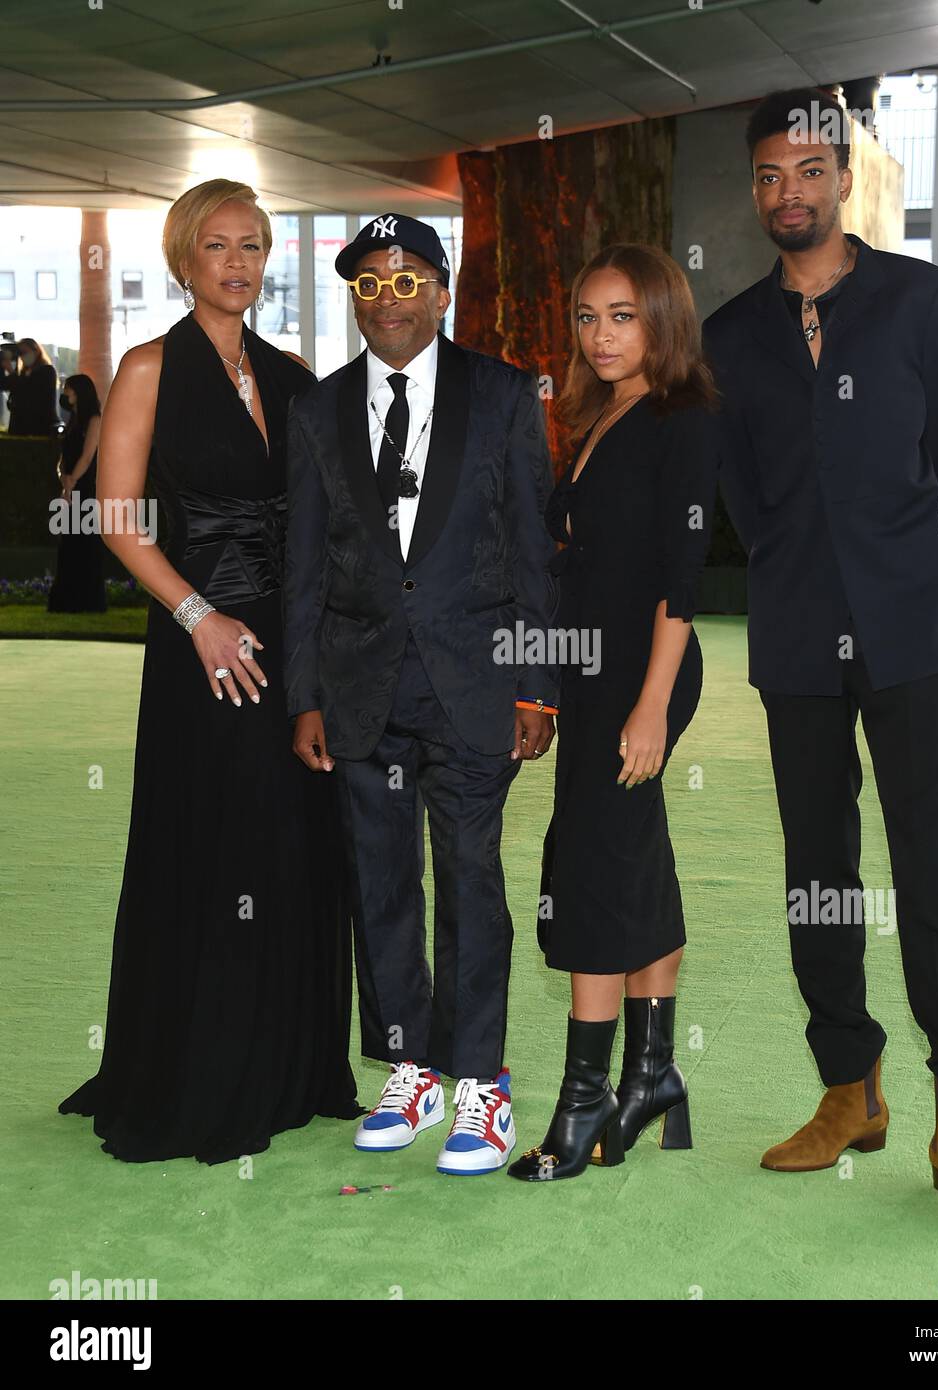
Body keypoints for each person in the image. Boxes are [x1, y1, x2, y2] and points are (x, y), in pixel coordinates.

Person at [702, 87, 938, 1227]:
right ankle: (848, 1091)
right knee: (815, 868)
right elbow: (741, 489)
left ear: (844, 178)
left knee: (923, 865)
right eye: (766, 176)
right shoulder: (729, 333)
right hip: (792, 633)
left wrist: (879, 555)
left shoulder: (928, 303)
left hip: (911, 627)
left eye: (805, 170)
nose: (787, 191)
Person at [59, 179, 359, 1164]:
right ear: (185, 257)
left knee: (291, 845)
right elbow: (115, 522)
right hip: (201, 648)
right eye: (218, 245)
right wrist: (197, 618)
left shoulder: (293, 372)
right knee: (215, 847)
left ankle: (290, 1063)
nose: (237, 263)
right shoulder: (147, 368)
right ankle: (199, 1069)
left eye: (254, 246)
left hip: (286, 640)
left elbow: (320, 519)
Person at [283, 213, 558, 1177]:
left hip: (477, 685)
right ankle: (409, 1065)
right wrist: (303, 696)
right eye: (368, 284)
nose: (388, 300)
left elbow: (534, 547)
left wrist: (538, 685)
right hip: (360, 692)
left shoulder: (505, 395)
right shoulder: (317, 412)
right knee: (382, 882)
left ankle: (480, 1083)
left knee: (471, 879)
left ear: (443, 293)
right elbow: (304, 565)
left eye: (408, 282)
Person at [507, 244, 719, 1183]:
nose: (600, 335)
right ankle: (654, 1076)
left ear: (662, 319)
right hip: (594, 676)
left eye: (622, 316)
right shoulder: (600, 414)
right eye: (588, 316)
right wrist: (548, 687)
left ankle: (585, 1104)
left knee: (591, 866)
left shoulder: (684, 418)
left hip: (647, 673)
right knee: (636, 861)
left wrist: (651, 708)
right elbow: (577, 573)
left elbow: (681, 582)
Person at [48, 374, 107, 613]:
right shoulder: (73, 420)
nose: (65, 394)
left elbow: (88, 455)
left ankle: (87, 600)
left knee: (85, 542)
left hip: (85, 489)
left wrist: (71, 481)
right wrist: (63, 476)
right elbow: (64, 456)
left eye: (68, 390)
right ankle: (67, 599)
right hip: (71, 488)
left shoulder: (94, 420)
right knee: (69, 543)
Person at [1, 338, 59, 435]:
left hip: (40, 427)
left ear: (36, 351)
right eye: (20, 353)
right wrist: (3, 364)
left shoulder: (47, 371)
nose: (22, 356)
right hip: (20, 427)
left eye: (25, 352)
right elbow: (3, 384)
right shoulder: (22, 374)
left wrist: (11, 371)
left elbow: (28, 392)